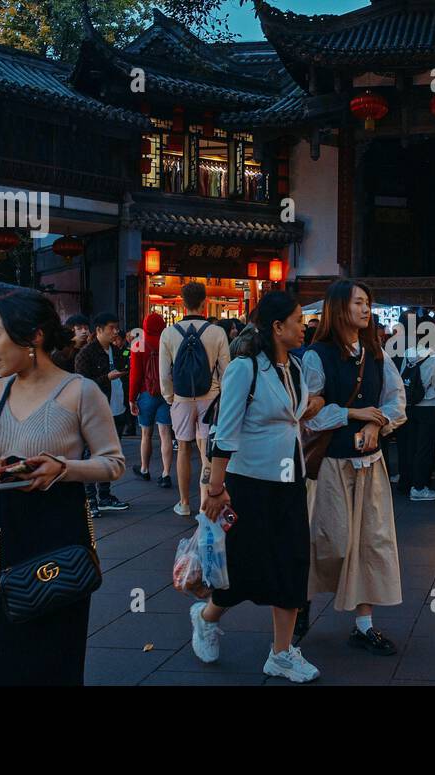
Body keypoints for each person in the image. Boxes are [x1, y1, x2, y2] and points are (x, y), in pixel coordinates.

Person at [0, 289, 125, 685]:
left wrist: (62, 468)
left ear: (33, 336)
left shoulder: (80, 391)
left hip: (58, 535)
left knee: (48, 656)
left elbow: (113, 463)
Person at [191, 291, 325, 682]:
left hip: (290, 480)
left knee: (293, 563)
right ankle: (207, 617)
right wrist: (216, 489)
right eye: (298, 320)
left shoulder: (295, 368)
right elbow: (225, 432)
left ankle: (281, 653)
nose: (304, 326)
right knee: (241, 566)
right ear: (277, 327)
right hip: (247, 484)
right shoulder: (244, 369)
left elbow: (293, 416)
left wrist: (316, 407)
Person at [303, 279, 406, 656]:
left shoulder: (376, 353)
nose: (366, 309)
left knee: (372, 544)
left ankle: (364, 625)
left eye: (367, 303)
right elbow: (307, 415)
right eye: (358, 302)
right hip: (332, 465)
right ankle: (300, 600)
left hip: (371, 465)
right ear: (339, 308)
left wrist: (377, 423)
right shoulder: (317, 356)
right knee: (331, 541)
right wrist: (352, 413)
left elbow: (396, 401)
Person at [160, 282, 230, 517]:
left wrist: (170, 397)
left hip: (181, 398)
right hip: (210, 397)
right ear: (204, 302)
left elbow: (164, 373)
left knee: (182, 448)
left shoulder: (169, 333)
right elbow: (226, 370)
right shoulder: (217, 332)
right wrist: (222, 396)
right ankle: (204, 502)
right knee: (206, 451)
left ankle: (183, 503)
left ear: (182, 303)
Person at [75, 312, 130, 513]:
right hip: (96, 411)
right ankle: (90, 499)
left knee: (110, 454)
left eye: (116, 327)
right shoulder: (87, 353)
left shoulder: (116, 350)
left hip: (117, 407)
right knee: (91, 455)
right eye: (111, 328)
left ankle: (105, 496)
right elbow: (82, 384)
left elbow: (125, 371)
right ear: (99, 330)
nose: (115, 332)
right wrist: (106, 377)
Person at [399, 315, 435, 501]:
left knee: (410, 445)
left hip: (409, 406)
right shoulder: (434, 358)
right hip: (429, 406)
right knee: (425, 448)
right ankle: (419, 487)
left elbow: (401, 378)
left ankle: (407, 482)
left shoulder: (408, 354)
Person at [129, 312, 173, 489]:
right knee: (165, 434)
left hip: (146, 393)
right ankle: (166, 473)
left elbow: (135, 374)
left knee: (146, 434)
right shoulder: (168, 341)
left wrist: (131, 398)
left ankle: (145, 469)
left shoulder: (138, 343)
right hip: (166, 392)